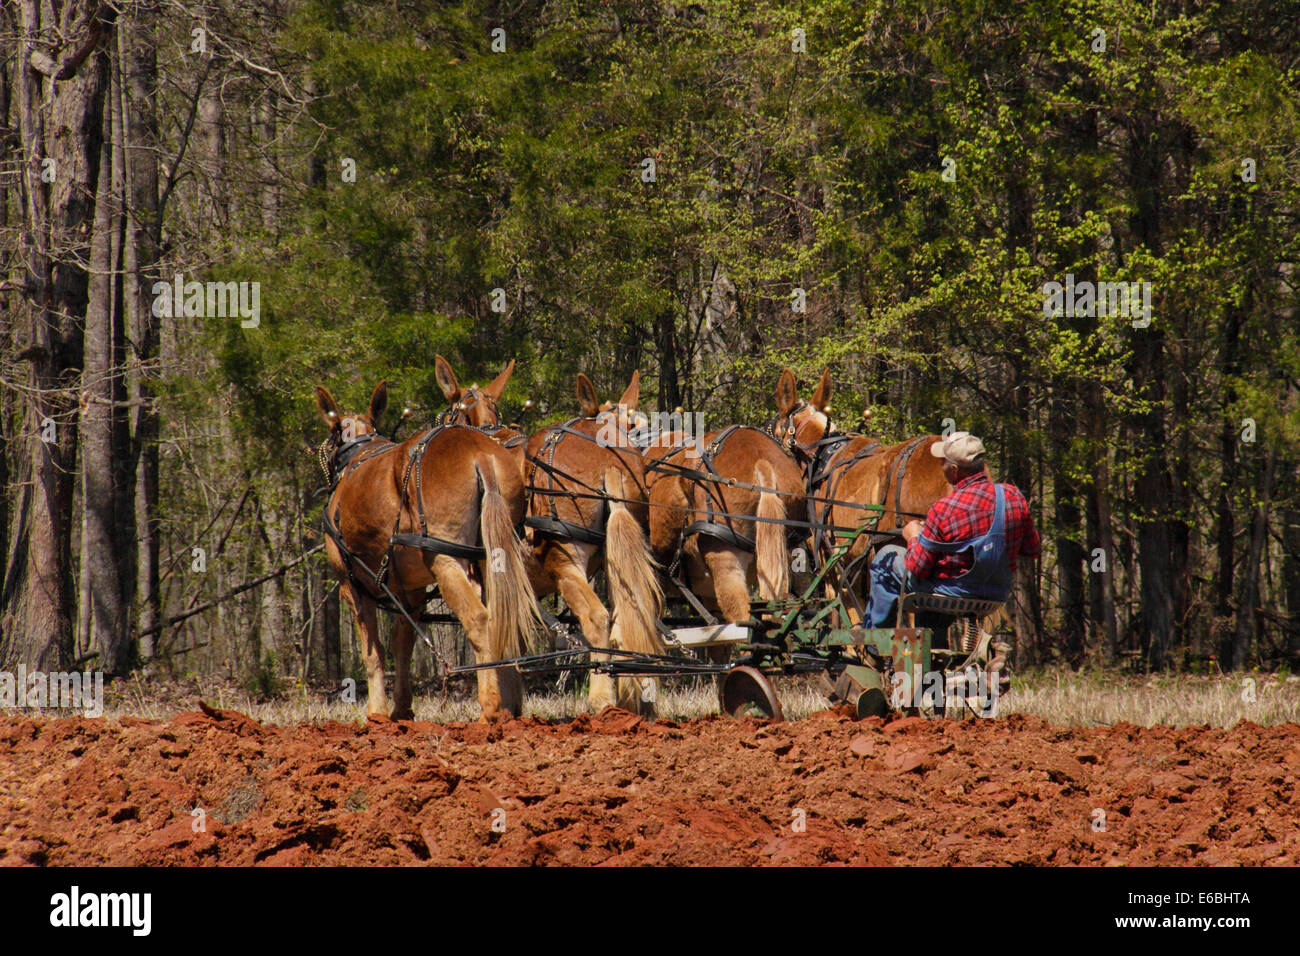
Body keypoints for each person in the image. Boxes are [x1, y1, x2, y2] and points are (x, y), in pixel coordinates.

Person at [864, 431, 1039, 627]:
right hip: (997, 592)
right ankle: (935, 642)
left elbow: (918, 567)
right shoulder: (1012, 495)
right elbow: (1032, 549)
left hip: (953, 592)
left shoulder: (944, 508)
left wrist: (913, 537)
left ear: (954, 470)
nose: (941, 467)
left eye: (943, 463)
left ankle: (874, 639)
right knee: (942, 572)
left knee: (885, 558)